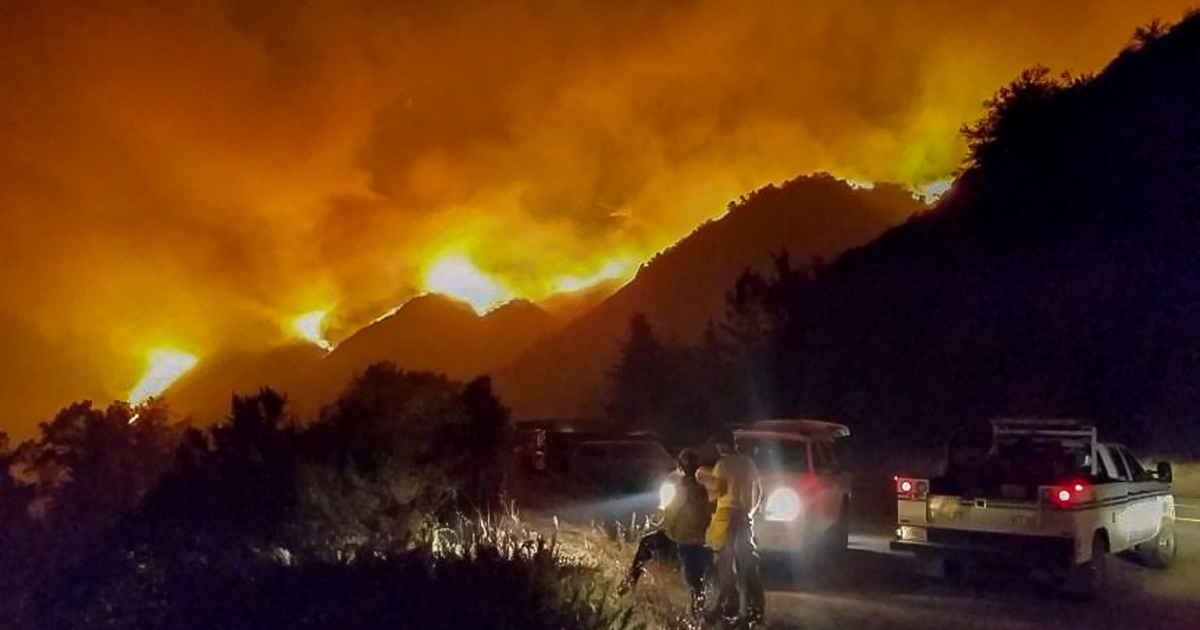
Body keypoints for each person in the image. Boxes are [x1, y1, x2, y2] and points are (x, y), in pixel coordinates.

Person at [621, 448, 712, 618]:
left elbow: (671, 514)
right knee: (696, 578)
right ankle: (698, 613)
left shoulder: (681, 487)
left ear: (682, 467)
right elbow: (707, 513)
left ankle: (628, 584)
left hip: (680, 535)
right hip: (700, 537)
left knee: (646, 543)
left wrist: (660, 523)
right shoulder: (701, 489)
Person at [704, 433, 765, 628]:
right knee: (746, 565)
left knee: (724, 562)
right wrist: (751, 511)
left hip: (725, 515)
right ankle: (747, 611)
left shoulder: (722, 465)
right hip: (745, 515)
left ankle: (719, 608)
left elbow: (717, 492)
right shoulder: (748, 463)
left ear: (723, 446)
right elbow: (760, 492)